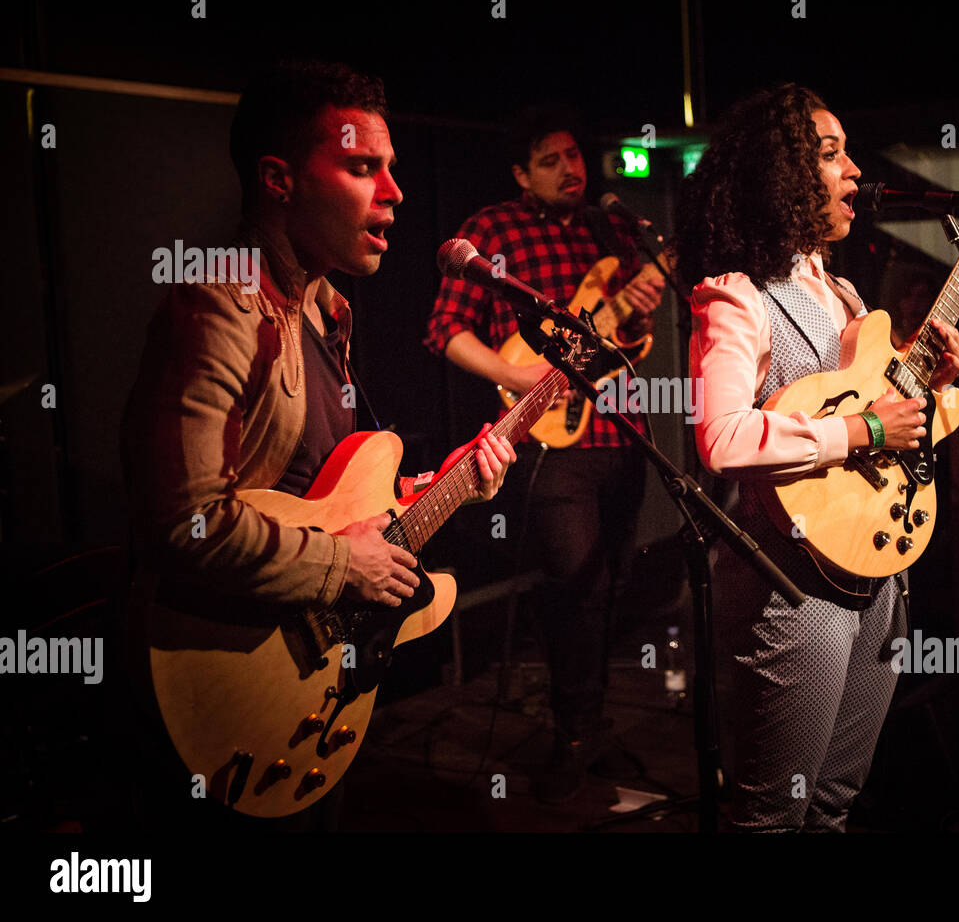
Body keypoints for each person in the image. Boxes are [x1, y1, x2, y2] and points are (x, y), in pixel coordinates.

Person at [121, 60, 516, 828]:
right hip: (230, 677)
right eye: (364, 168)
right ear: (279, 181)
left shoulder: (328, 309)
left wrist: (442, 486)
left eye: (391, 168)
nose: (394, 191)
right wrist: (344, 566)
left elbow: (320, 497)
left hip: (306, 685)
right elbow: (182, 522)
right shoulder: (218, 308)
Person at [677, 83, 959, 832]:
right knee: (773, 816)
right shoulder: (735, 296)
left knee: (833, 804)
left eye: (847, 153)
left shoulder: (844, 294)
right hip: (791, 588)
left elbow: (890, 419)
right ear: (783, 176)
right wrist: (863, 430)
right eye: (831, 155)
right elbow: (721, 437)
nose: (853, 172)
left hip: (877, 573)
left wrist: (930, 387)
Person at [425, 105, 666, 803]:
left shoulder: (609, 229)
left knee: (615, 583)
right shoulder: (492, 229)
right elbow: (445, 330)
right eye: (550, 160)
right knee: (576, 588)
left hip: (620, 430)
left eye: (574, 155)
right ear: (521, 174)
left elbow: (625, 345)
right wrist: (517, 373)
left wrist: (640, 315)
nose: (570, 168)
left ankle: (590, 724)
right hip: (547, 440)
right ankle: (572, 737)